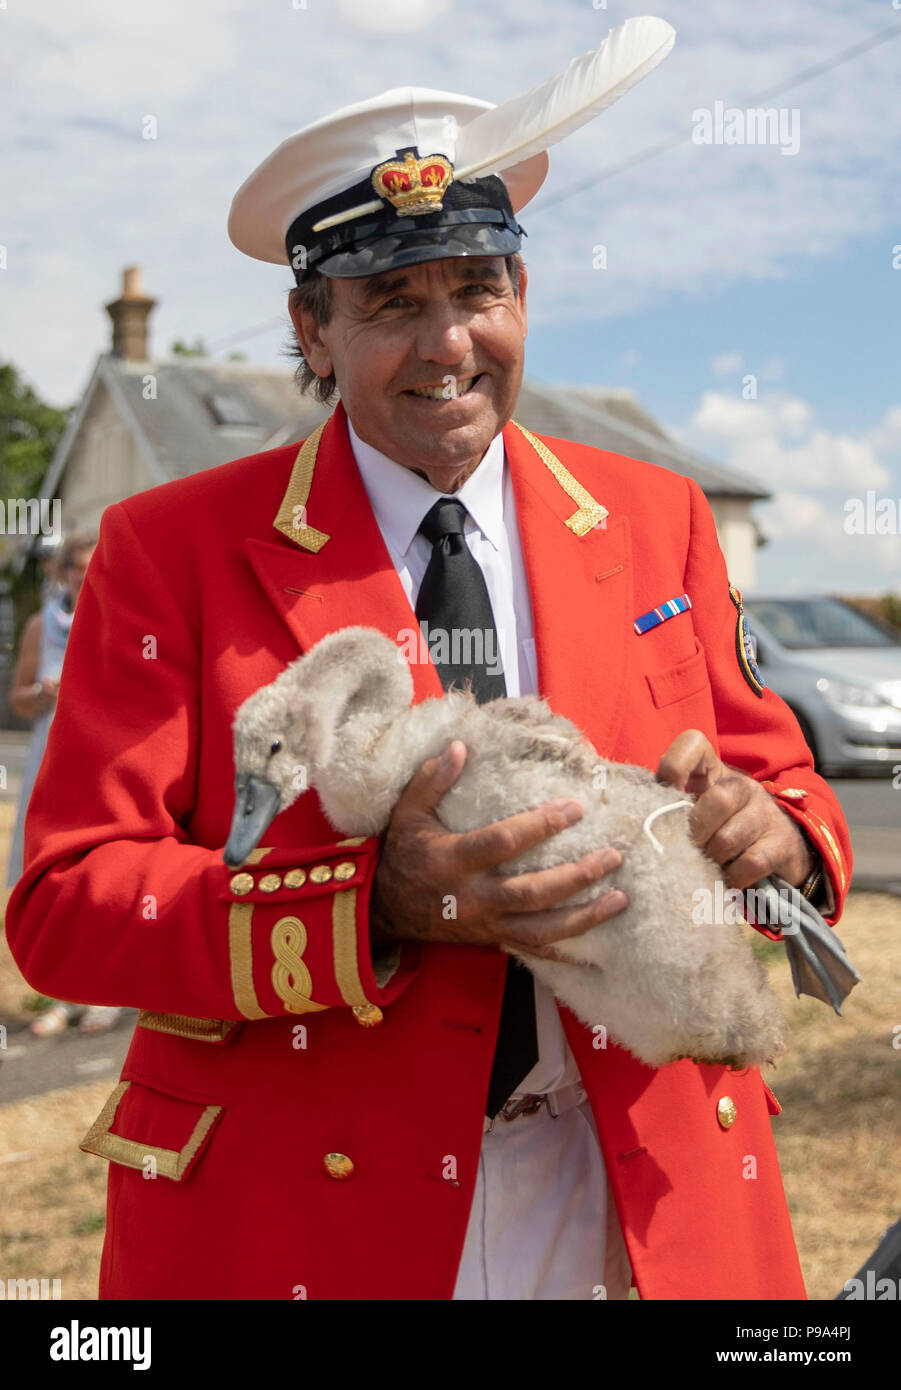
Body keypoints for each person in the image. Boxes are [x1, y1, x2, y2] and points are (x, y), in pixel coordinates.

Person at [6, 21, 852, 1300]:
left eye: (477, 288)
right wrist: (370, 908)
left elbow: (785, 784)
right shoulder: (168, 548)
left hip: (630, 1187)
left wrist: (774, 837)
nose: (448, 341)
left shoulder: (654, 516)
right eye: (393, 301)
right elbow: (69, 903)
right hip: (308, 1215)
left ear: (525, 296)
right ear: (312, 329)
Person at [7, 531, 122, 1038]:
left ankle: (109, 992)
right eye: (75, 567)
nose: (83, 574)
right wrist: (41, 692)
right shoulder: (39, 626)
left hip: (102, 760)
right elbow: (19, 701)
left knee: (103, 874)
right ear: (61, 573)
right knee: (53, 874)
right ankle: (61, 995)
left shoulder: (125, 614)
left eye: (91, 565)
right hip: (47, 756)